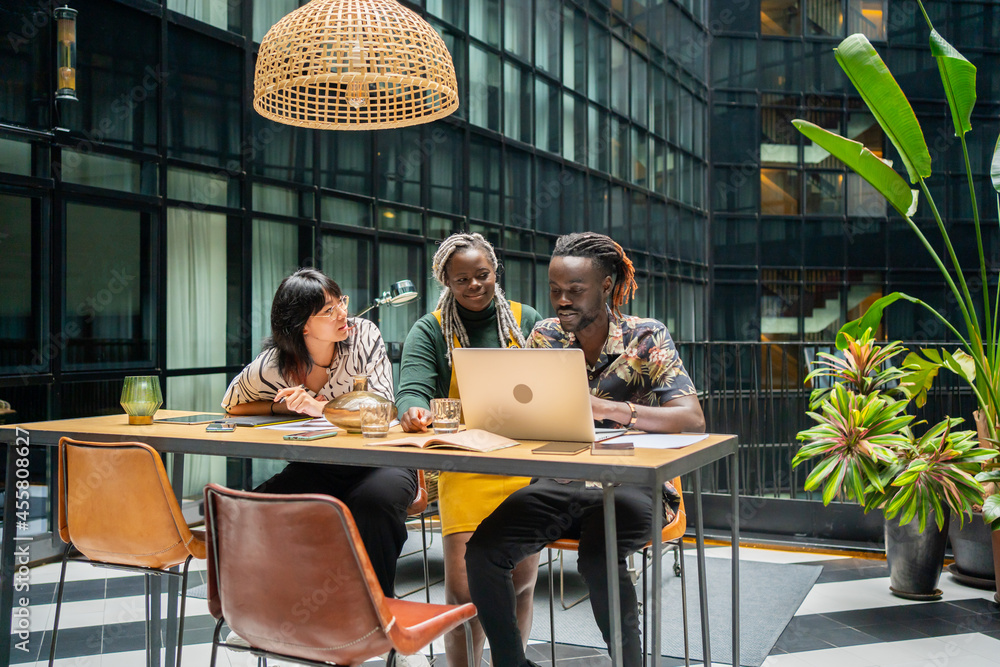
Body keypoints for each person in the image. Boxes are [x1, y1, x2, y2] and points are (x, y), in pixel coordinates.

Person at [465, 232, 706, 667]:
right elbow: (526, 414)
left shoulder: (647, 336)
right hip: (559, 481)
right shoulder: (544, 336)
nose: (562, 300)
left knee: (597, 559)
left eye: (575, 291)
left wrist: (609, 410)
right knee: (483, 552)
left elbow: (691, 419)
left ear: (607, 286)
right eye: (555, 290)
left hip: (632, 484)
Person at [222, 268, 417, 600]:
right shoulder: (274, 365)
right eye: (329, 310)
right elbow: (231, 404)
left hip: (384, 461)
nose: (343, 313)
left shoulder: (363, 336)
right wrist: (284, 408)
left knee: (373, 504)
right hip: (321, 464)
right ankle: (263, 611)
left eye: (340, 301)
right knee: (257, 507)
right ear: (303, 325)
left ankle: (380, 618)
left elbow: (384, 411)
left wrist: (322, 408)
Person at [395, 233, 543, 667]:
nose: (476, 286)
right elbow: (412, 391)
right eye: (463, 280)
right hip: (465, 467)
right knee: (465, 593)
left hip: (521, 463)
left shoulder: (525, 319)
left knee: (521, 581)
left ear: (496, 271)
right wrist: (414, 411)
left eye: (483, 275)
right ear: (446, 281)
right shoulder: (431, 328)